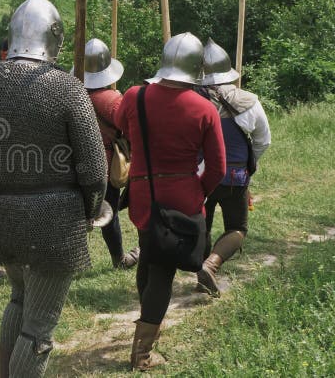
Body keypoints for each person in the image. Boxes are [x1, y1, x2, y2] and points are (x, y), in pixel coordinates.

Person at [0, 0, 108, 377]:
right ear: (54, 38)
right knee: (39, 326)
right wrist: (92, 209)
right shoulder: (66, 87)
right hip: (54, 221)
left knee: (18, 300)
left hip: (1, 216)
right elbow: (95, 170)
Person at [114, 33, 226, 371]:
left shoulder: (135, 96)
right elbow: (218, 167)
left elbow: (121, 127)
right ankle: (141, 355)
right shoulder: (205, 108)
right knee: (161, 270)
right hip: (182, 196)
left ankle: (146, 321)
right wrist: (197, 191)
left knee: (150, 254)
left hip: (142, 195)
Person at [195, 39, 271, 296]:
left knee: (202, 224)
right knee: (237, 228)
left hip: (201, 175)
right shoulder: (248, 101)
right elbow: (263, 140)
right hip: (235, 176)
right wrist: (249, 164)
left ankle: (201, 272)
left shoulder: (190, 100)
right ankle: (212, 264)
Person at [78, 38, 140, 269]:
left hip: (75, 163)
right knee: (109, 212)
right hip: (103, 165)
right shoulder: (113, 100)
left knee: (81, 213)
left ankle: (76, 260)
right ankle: (118, 259)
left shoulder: (74, 95)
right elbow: (132, 128)